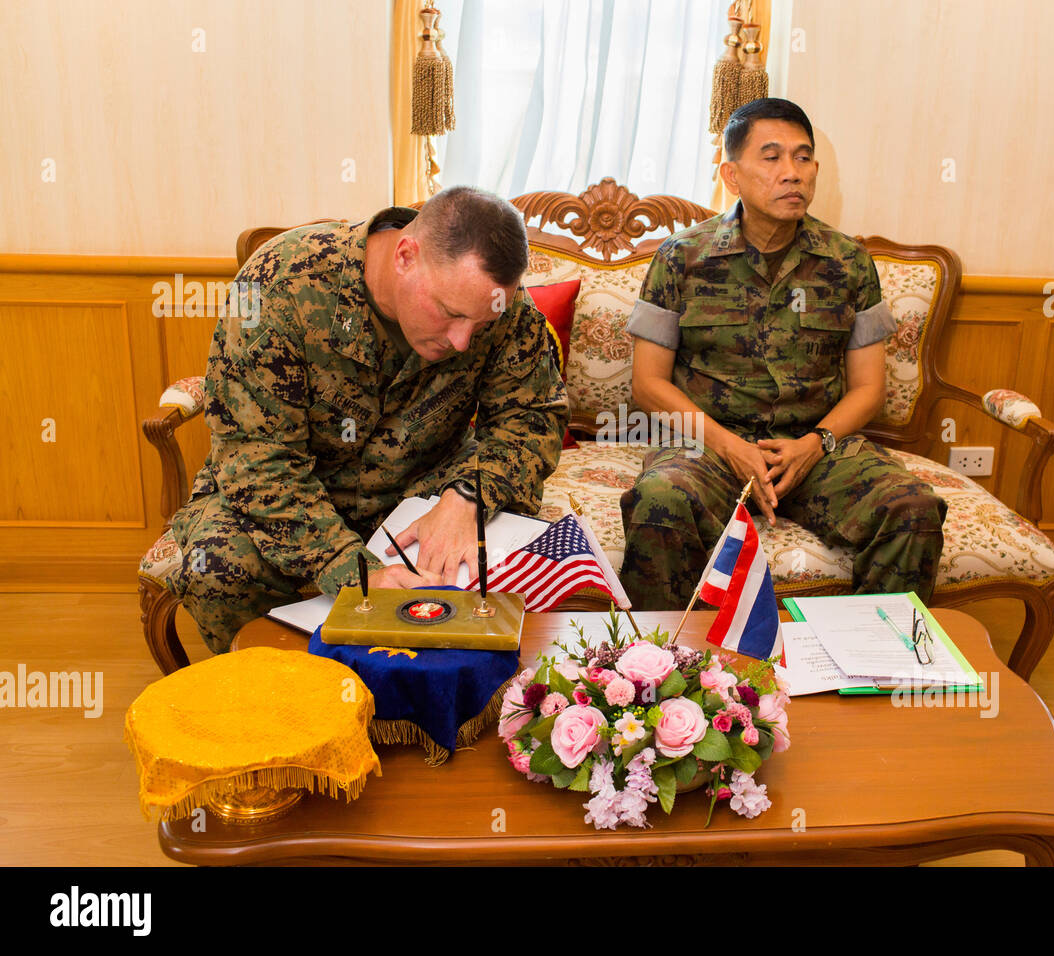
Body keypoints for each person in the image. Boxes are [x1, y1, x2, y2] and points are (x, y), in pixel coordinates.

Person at [170, 186, 567, 652]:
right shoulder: (280, 283)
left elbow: (532, 419)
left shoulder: (499, 307)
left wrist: (468, 496)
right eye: (450, 314)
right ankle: (288, 710)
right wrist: (353, 573)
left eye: (477, 326)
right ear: (405, 255)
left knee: (493, 577)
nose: (462, 341)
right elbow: (257, 461)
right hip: (292, 495)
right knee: (219, 567)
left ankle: (420, 718)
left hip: (423, 495)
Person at [619, 98, 946, 611]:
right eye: (771, 158)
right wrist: (731, 446)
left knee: (913, 507)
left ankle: (869, 668)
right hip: (710, 447)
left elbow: (868, 388)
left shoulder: (849, 263)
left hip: (817, 450)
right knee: (659, 502)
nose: (792, 173)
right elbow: (647, 384)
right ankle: (663, 674)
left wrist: (815, 443)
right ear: (732, 174)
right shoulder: (681, 257)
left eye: (803, 157)